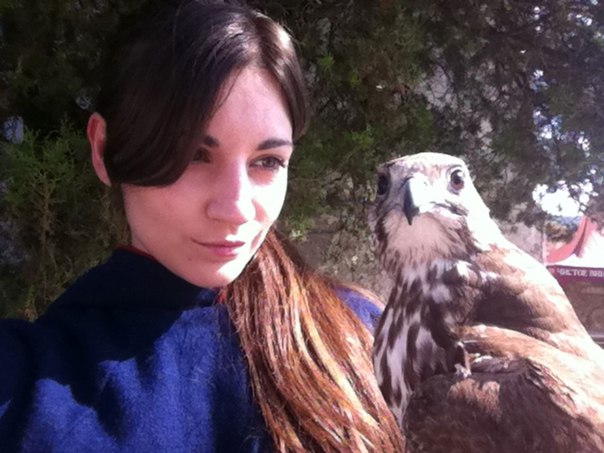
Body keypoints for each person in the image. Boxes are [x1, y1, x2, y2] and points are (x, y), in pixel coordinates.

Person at [0, 1, 403, 451]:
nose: (236, 209)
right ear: (103, 150)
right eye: (194, 154)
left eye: (268, 161)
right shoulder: (22, 388)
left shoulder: (359, 332)